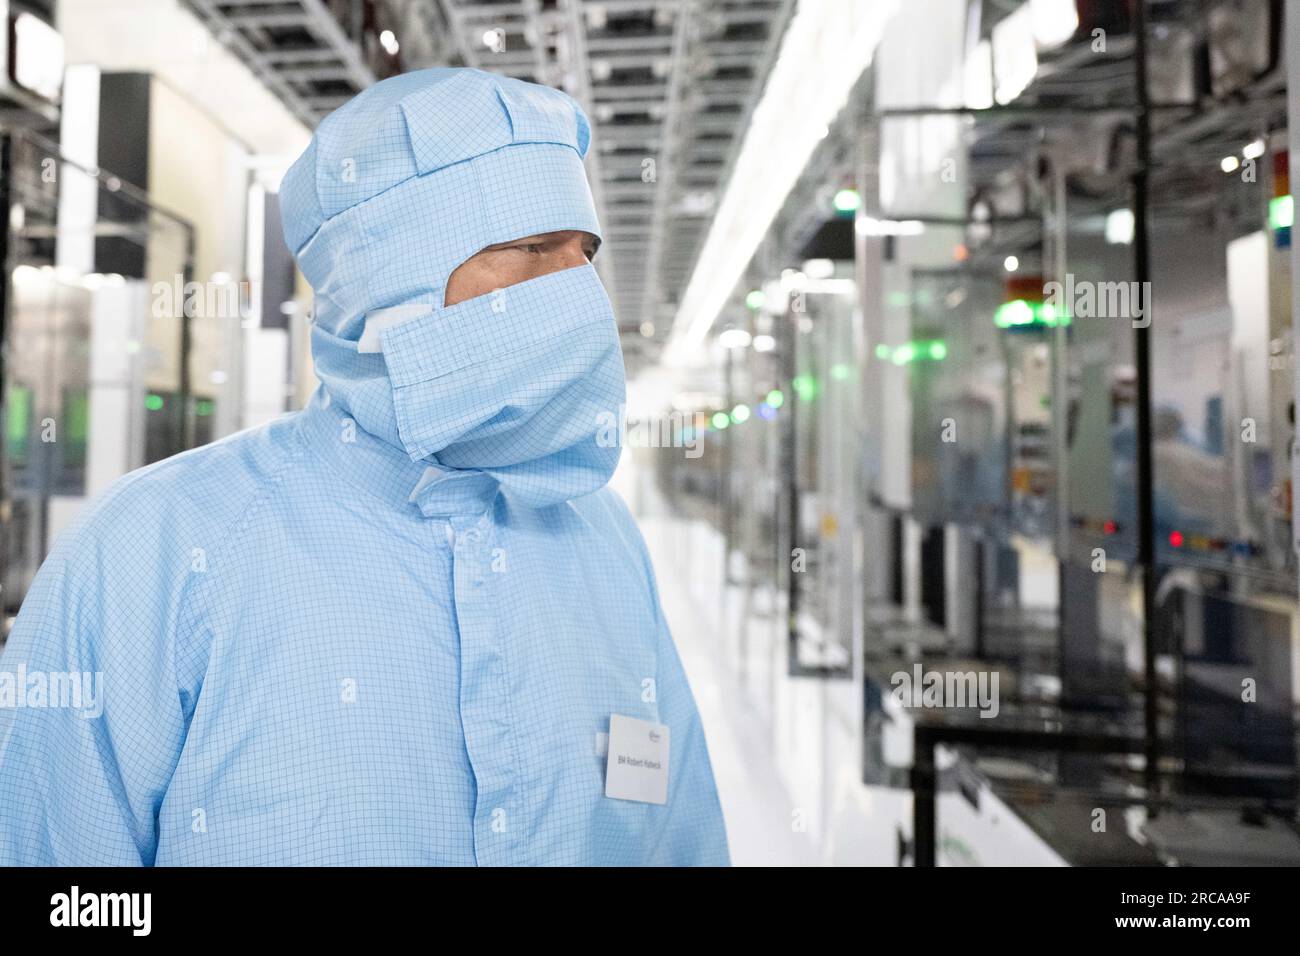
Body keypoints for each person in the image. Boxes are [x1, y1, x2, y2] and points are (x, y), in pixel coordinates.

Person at [0, 67, 729, 866]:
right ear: (391, 286)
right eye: (528, 250)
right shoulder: (150, 557)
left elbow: (676, 832)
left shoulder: (605, 543)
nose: (578, 294)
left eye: (583, 254)